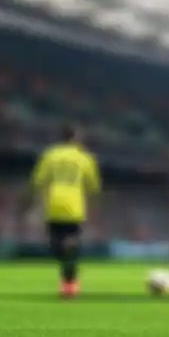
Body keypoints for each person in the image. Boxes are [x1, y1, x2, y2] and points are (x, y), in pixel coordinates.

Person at [29, 124, 100, 299]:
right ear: (75, 138)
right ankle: (71, 281)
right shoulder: (84, 157)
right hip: (74, 205)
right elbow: (93, 185)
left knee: (55, 243)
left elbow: (37, 181)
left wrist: (34, 204)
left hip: (53, 203)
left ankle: (67, 280)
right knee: (71, 242)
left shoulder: (50, 155)